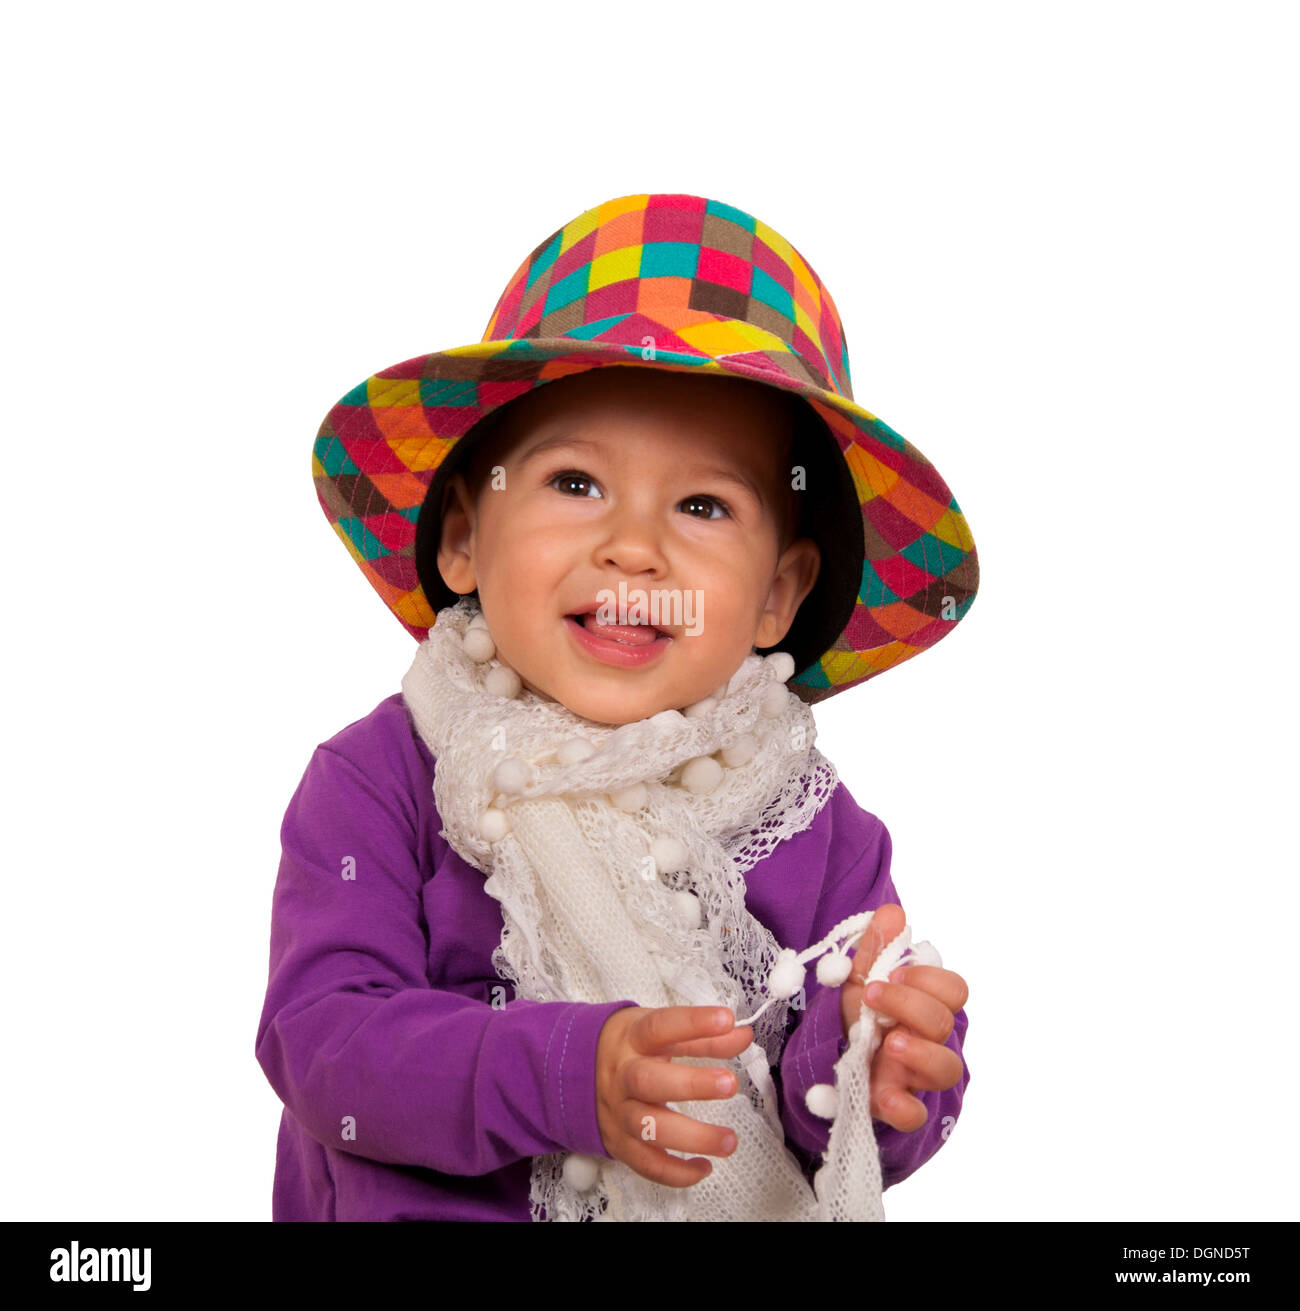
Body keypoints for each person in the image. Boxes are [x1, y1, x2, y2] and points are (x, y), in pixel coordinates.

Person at [256, 192, 980, 1221]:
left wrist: (879, 1065)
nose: (634, 548)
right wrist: (567, 1074)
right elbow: (325, 1047)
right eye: (575, 483)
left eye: (702, 506)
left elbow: (823, 1129)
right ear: (462, 538)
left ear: (777, 593)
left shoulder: (816, 828)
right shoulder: (383, 778)